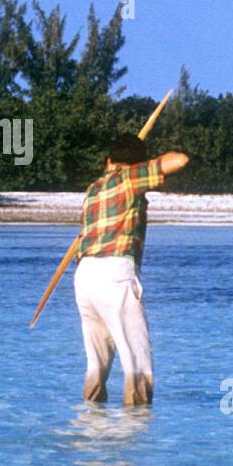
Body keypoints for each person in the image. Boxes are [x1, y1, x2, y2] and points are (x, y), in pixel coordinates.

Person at [73, 132, 188, 405]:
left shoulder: (93, 188)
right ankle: (137, 431)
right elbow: (180, 160)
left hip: (85, 276)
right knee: (137, 362)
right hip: (115, 273)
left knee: (96, 363)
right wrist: (144, 166)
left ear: (109, 159)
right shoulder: (131, 178)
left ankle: (91, 423)